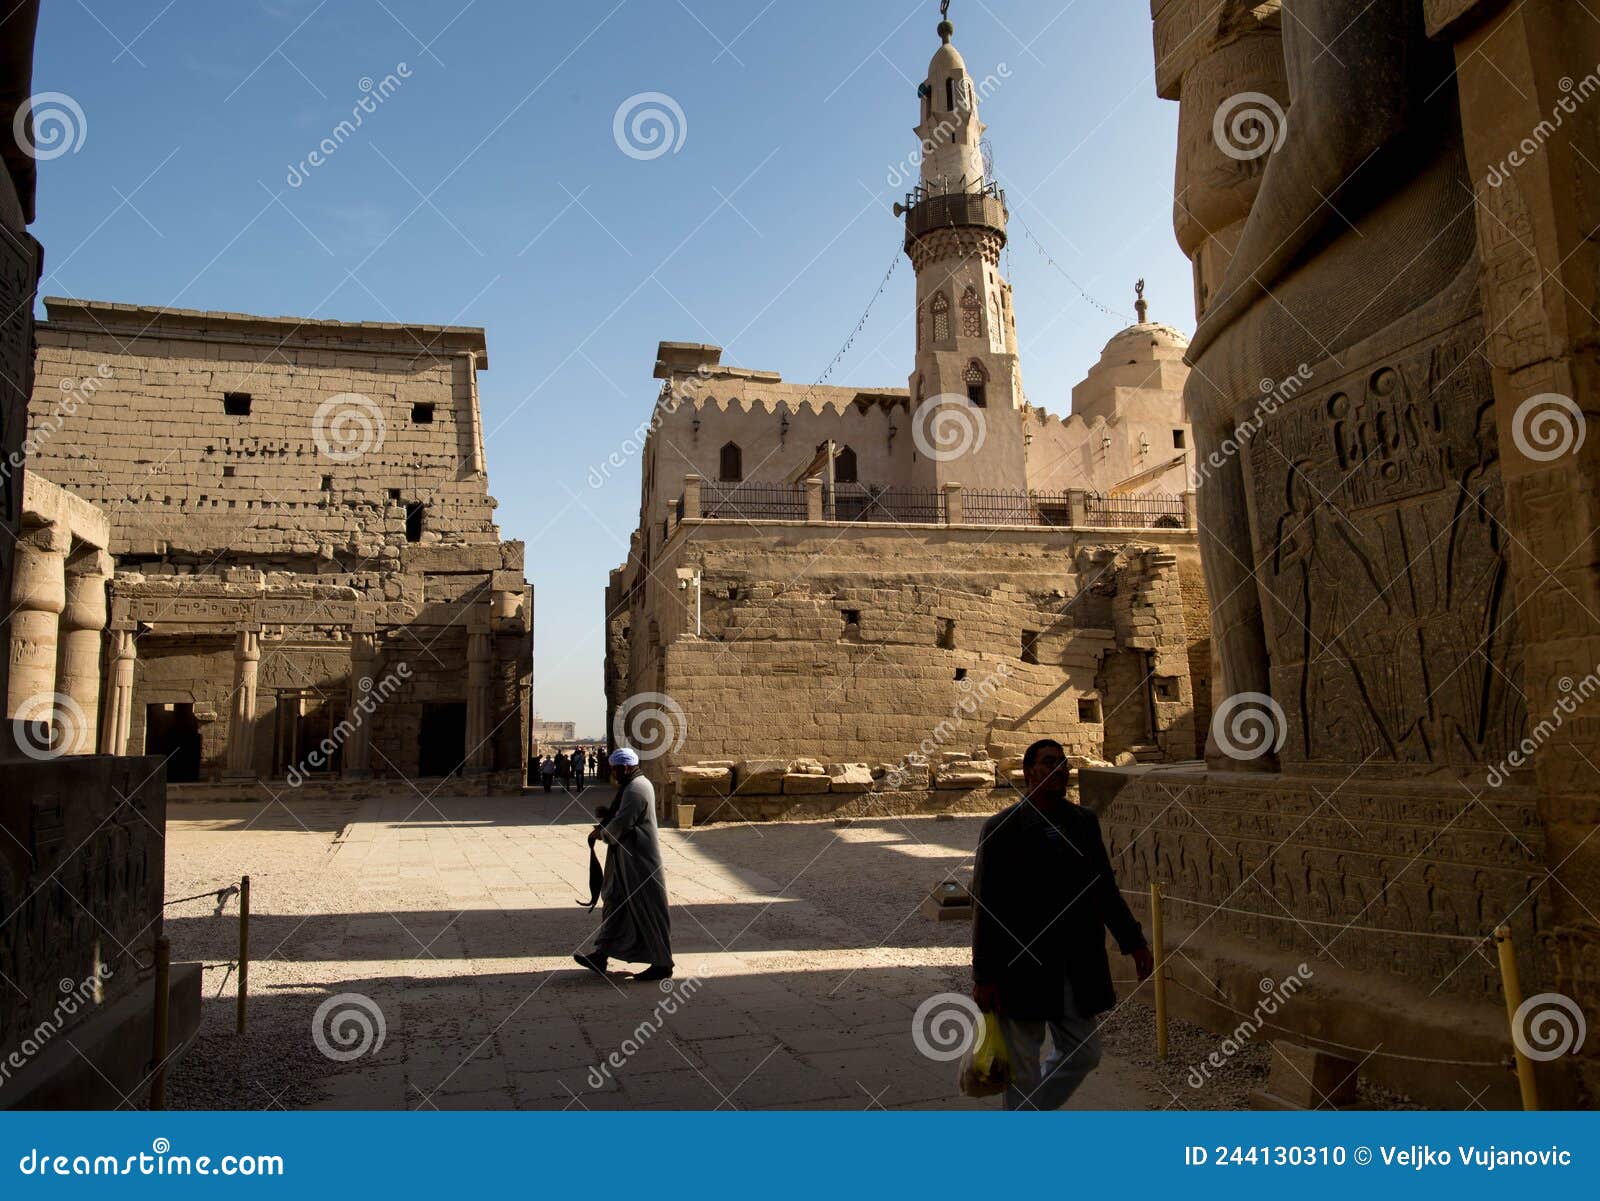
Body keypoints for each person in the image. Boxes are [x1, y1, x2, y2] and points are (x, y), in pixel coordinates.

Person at [970, 737, 1152, 1110]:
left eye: (1063, 763)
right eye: (1049, 762)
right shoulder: (1001, 829)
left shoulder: (1082, 823)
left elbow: (1104, 887)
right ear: (1029, 771)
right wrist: (983, 976)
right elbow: (986, 908)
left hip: (1075, 960)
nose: (1060, 770)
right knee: (1022, 1065)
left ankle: (1031, 1114)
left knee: (1084, 1053)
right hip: (1020, 966)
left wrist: (1133, 941)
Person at [574, 748, 674, 982]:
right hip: (626, 860)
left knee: (649, 910)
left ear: (626, 767)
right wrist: (608, 813)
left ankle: (663, 963)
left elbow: (622, 825)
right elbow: (623, 815)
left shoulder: (636, 788)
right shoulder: (632, 786)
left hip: (639, 862)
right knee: (616, 904)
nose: (614, 774)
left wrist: (599, 833)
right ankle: (601, 955)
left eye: (616, 769)